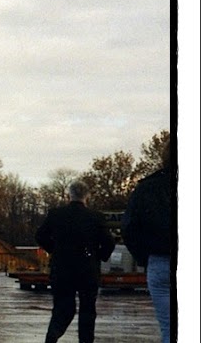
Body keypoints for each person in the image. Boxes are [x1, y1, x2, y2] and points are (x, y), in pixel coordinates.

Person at [36, 181, 115, 343]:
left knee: (62, 308)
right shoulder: (95, 217)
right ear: (87, 196)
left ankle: (52, 337)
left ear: (68, 195)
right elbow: (109, 242)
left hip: (62, 268)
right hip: (87, 268)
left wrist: (54, 251)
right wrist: (97, 256)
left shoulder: (56, 215)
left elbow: (40, 236)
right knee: (87, 309)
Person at [122, 139, 175, 343]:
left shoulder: (146, 188)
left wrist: (144, 257)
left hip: (159, 261)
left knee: (169, 328)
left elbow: (129, 228)